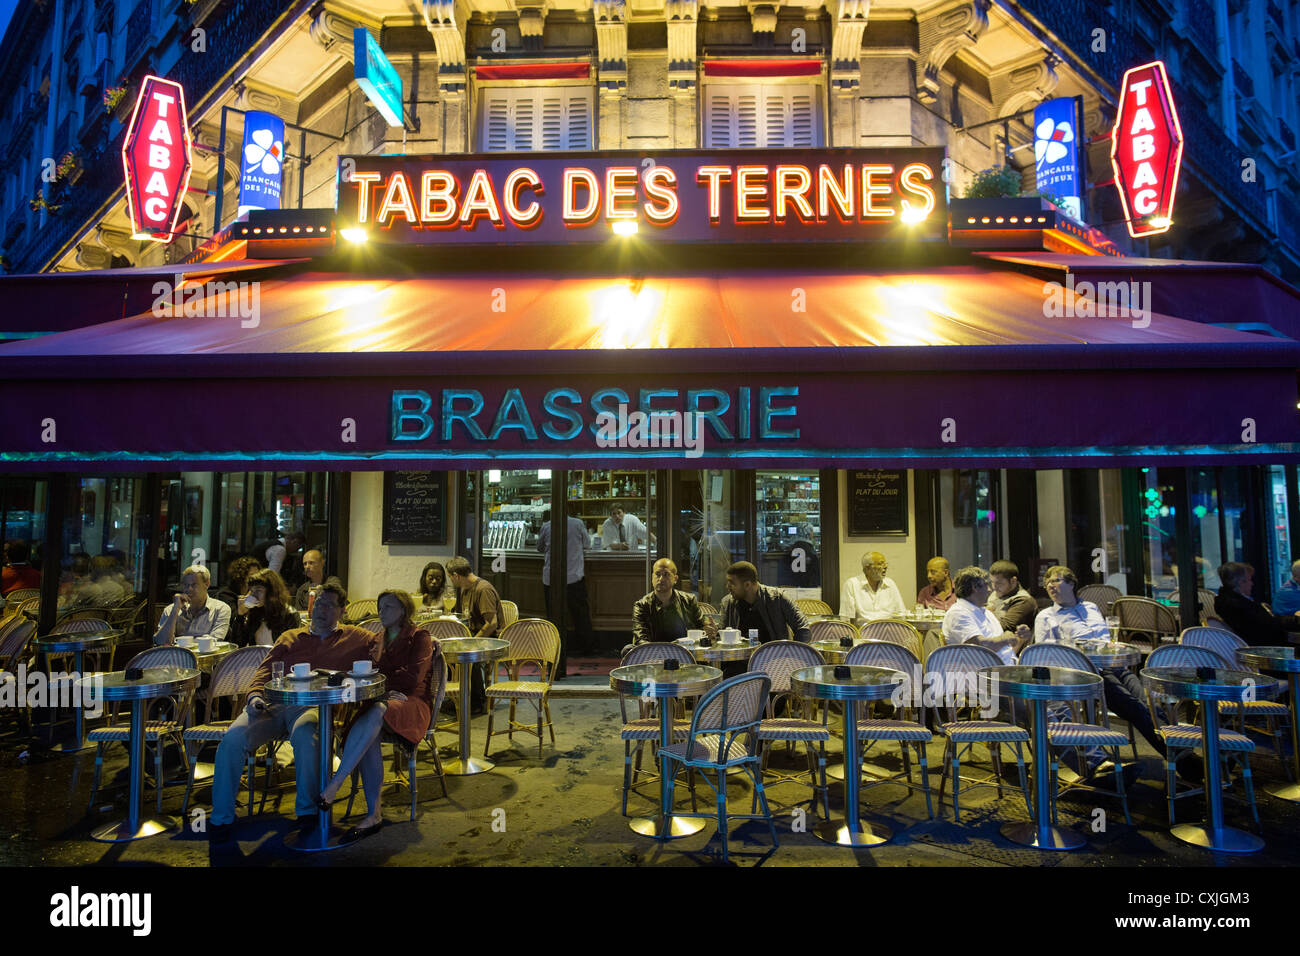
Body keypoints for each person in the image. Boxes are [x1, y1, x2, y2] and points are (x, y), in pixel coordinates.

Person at [207, 583, 378, 846]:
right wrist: (254, 697)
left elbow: (389, 641)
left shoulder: (355, 637)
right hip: (273, 705)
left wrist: (428, 641)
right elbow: (263, 674)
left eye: (329, 605)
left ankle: (308, 813)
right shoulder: (290, 637)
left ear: (341, 610)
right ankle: (221, 819)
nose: (321, 610)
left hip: (312, 707)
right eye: (318, 603)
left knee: (305, 734)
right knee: (232, 739)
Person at [316, 589, 435, 842]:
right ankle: (374, 815)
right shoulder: (377, 640)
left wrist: (385, 686)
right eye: (380, 608)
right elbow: (369, 674)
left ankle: (336, 783)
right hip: (383, 702)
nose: (382, 612)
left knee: (378, 710)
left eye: (388, 607)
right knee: (369, 732)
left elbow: (413, 677)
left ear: (403, 610)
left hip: (412, 703)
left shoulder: (419, 637)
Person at [1035, 564, 1170, 778]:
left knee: (1148, 702)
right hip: (1084, 673)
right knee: (1132, 705)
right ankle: (1179, 756)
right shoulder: (1046, 616)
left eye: (1056, 580)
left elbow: (1105, 639)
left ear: (1071, 583)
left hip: (1110, 664)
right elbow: (1045, 654)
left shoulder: (1090, 607)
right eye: (1048, 582)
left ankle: (1181, 752)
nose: (1051, 585)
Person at [538, 509, 597, 657]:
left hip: (551, 578)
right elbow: (587, 544)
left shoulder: (546, 526)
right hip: (573, 576)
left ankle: (554, 648)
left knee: (553, 615)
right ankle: (586, 648)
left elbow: (540, 548)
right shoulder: (577, 524)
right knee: (580, 614)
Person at [941, 566, 1026, 664]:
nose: (990, 590)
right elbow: (980, 647)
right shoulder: (957, 613)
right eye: (986, 585)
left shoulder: (986, 612)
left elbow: (1004, 649)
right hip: (981, 674)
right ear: (975, 587)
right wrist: (1005, 638)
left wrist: (1020, 638)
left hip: (1005, 668)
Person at [447, 556, 496, 711]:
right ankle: (457, 695)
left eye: (450, 577)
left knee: (465, 652)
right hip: (473, 633)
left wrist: (472, 641)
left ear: (456, 576)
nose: (451, 581)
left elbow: (492, 624)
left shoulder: (483, 589)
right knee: (443, 649)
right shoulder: (464, 589)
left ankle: (476, 701)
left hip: (490, 637)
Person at [718, 561, 810, 643]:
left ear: (747, 585)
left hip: (774, 658)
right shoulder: (728, 603)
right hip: (738, 659)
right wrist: (715, 634)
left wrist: (792, 653)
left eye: (732, 583)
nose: (727, 587)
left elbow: (803, 629)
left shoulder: (778, 598)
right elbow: (721, 637)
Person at [1215, 561, 1300, 646]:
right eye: (1249, 580)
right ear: (1241, 582)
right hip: (1270, 649)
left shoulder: (1230, 600)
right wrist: (1295, 620)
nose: (1252, 584)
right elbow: (1269, 625)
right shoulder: (1237, 605)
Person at [631, 558, 712, 645]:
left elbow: (702, 629)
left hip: (684, 651)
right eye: (657, 574)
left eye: (666, 574)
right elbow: (640, 639)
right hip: (653, 653)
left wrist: (710, 631)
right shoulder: (641, 606)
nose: (661, 579)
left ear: (675, 579)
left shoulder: (689, 600)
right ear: (652, 578)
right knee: (627, 649)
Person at [153, 564, 231, 645]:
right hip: (176, 656)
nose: (188, 589)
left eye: (194, 585)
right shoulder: (171, 609)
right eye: (186, 585)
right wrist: (175, 611)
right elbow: (160, 642)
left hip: (206, 656)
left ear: (207, 584)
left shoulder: (221, 609)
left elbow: (215, 642)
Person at [230, 568, 300, 647]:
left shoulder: (289, 614)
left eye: (258, 590)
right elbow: (238, 645)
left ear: (272, 592)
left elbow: (293, 649)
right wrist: (240, 616)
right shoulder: (254, 613)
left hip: (279, 658)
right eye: (252, 591)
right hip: (256, 657)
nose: (253, 595)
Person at [839, 552, 906, 625]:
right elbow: (846, 619)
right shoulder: (852, 584)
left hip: (889, 631)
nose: (885, 566)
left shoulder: (890, 584)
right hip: (863, 633)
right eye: (880, 564)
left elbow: (901, 615)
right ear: (867, 568)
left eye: (885, 563)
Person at [987, 560, 1038, 632]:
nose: (994, 587)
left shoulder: (1023, 600)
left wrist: (986, 613)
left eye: (999, 583)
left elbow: (1005, 627)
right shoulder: (996, 593)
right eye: (992, 582)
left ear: (1013, 581)